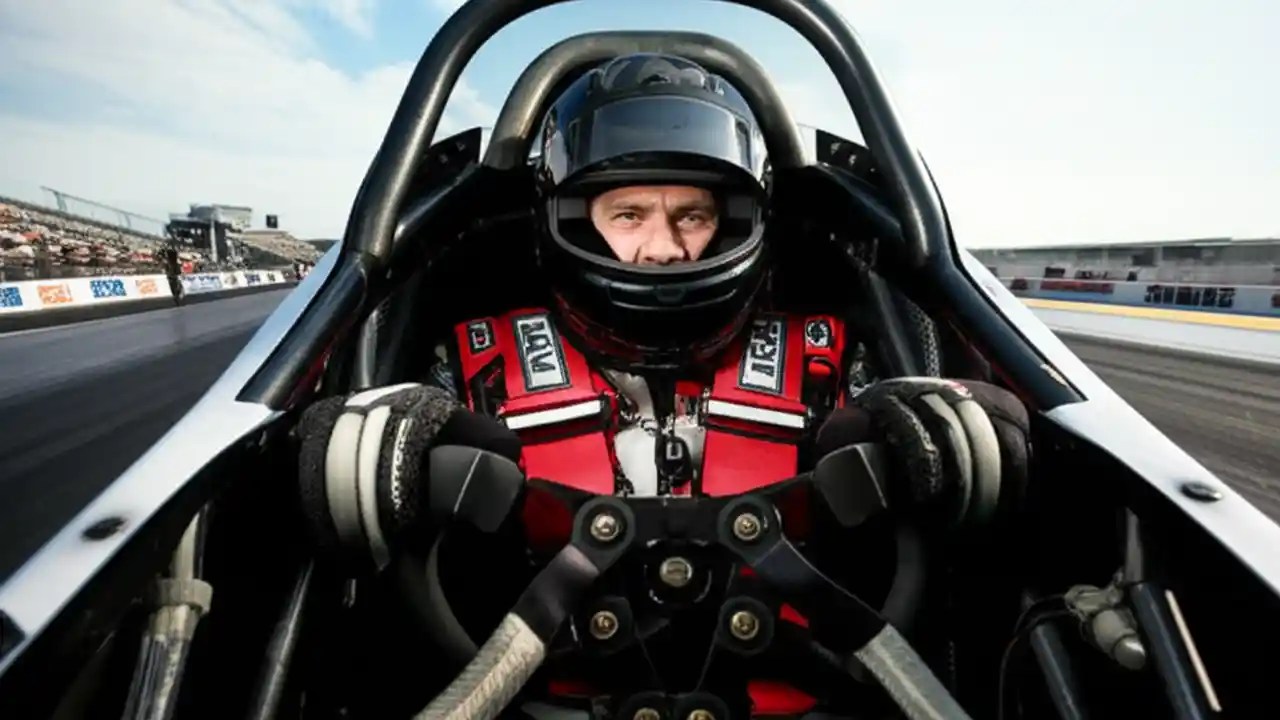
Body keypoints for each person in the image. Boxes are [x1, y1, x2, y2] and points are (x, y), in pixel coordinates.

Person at [295, 53, 1031, 717]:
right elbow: (373, 448)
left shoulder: (827, 359)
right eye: (628, 214)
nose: (663, 250)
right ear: (575, 221)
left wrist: (946, 418)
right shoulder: (476, 364)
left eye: (693, 215)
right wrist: (393, 420)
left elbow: (921, 424)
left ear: (734, 220)